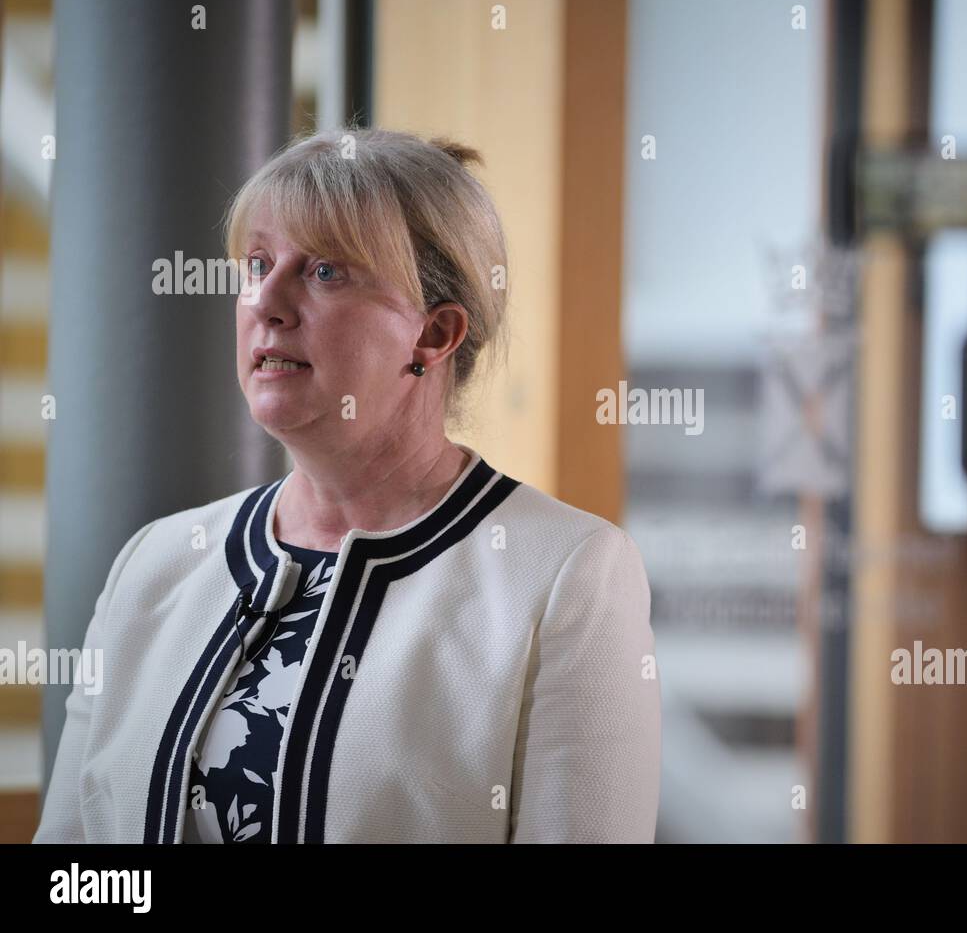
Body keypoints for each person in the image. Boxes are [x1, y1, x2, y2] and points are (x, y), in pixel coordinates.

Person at [33, 128, 661, 843]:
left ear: (435, 334)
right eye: (259, 263)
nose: (265, 301)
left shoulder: (567, 576)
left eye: (325, 272)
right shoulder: (155, 563)